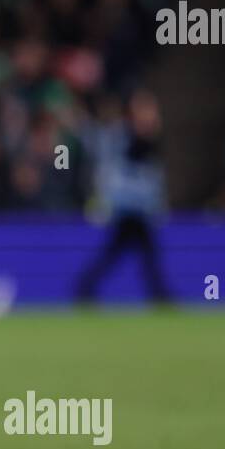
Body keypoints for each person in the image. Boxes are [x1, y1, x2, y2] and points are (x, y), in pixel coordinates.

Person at [74, 89, 173, 304]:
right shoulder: (122, 140)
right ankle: (161, 296)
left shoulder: (147, 143)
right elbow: (115, 174)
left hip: (137, 211)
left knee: (132, 254)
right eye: (146, 110)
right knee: (135, 254)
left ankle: (85, 289)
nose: (152, 116)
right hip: (127, 210)